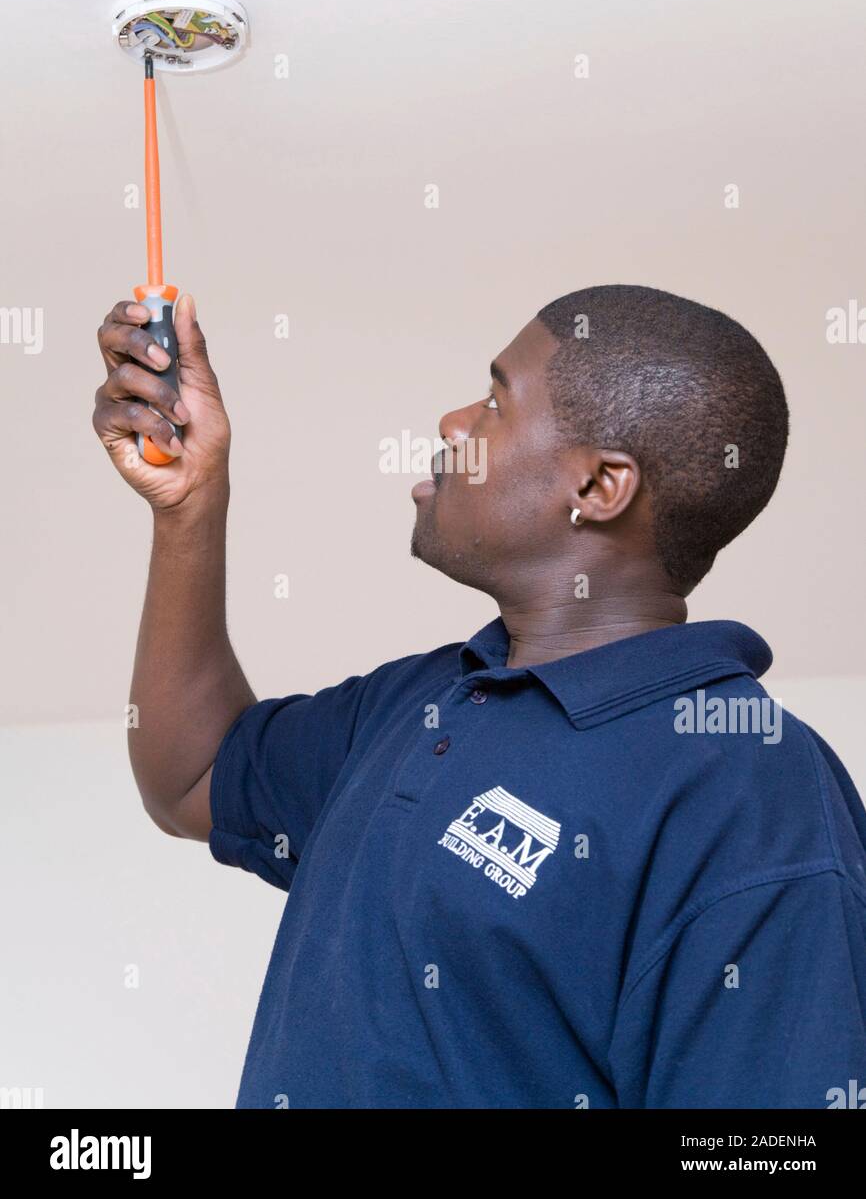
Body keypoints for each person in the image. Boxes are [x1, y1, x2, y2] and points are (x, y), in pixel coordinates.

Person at [93, 283, 866, 1109]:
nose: (453, 423)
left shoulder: (752, 798)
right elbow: (193, 777)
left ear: (600, 487)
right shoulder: (432, 698)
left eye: (497, 400)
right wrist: (191, 504)